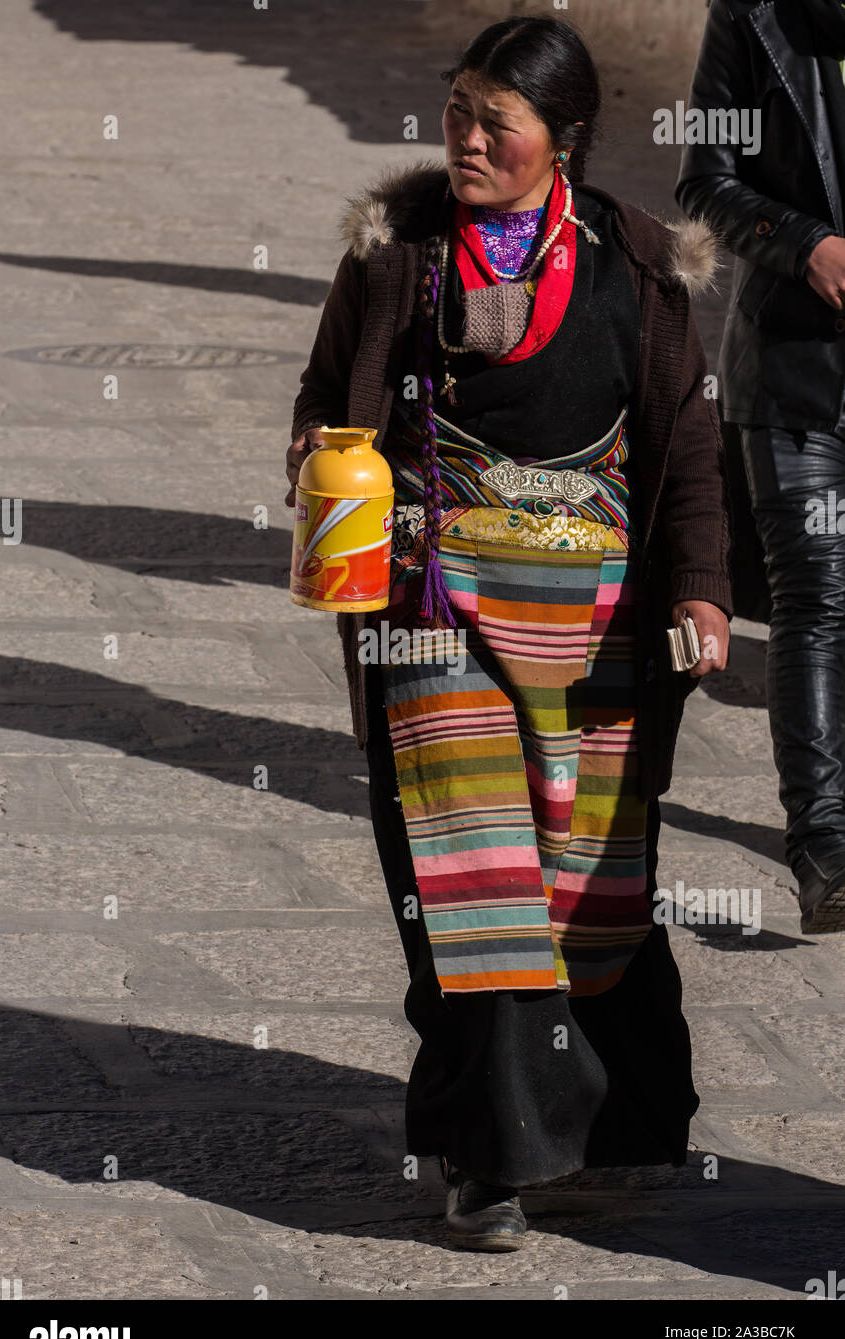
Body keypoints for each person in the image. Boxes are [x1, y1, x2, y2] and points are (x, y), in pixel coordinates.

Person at [287, 15, 732, 1251]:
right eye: (457, 108)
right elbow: (329, 396)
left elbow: (686, 443)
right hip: (430, 619)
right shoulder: (396, 255)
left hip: (594, 639)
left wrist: (697, 586)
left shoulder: (635, 266)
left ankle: (604, 1124)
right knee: (472, 890)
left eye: (499, 119)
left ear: (564, 140)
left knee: (591, 895)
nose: (467, 137)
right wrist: (325, 466)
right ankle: (484, 1167)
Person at [676, 0, 845, 932]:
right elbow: (704, 180)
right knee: (814, 601)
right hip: (793, 369)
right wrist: (806, 245)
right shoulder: (753, 14)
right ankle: (823, 847)